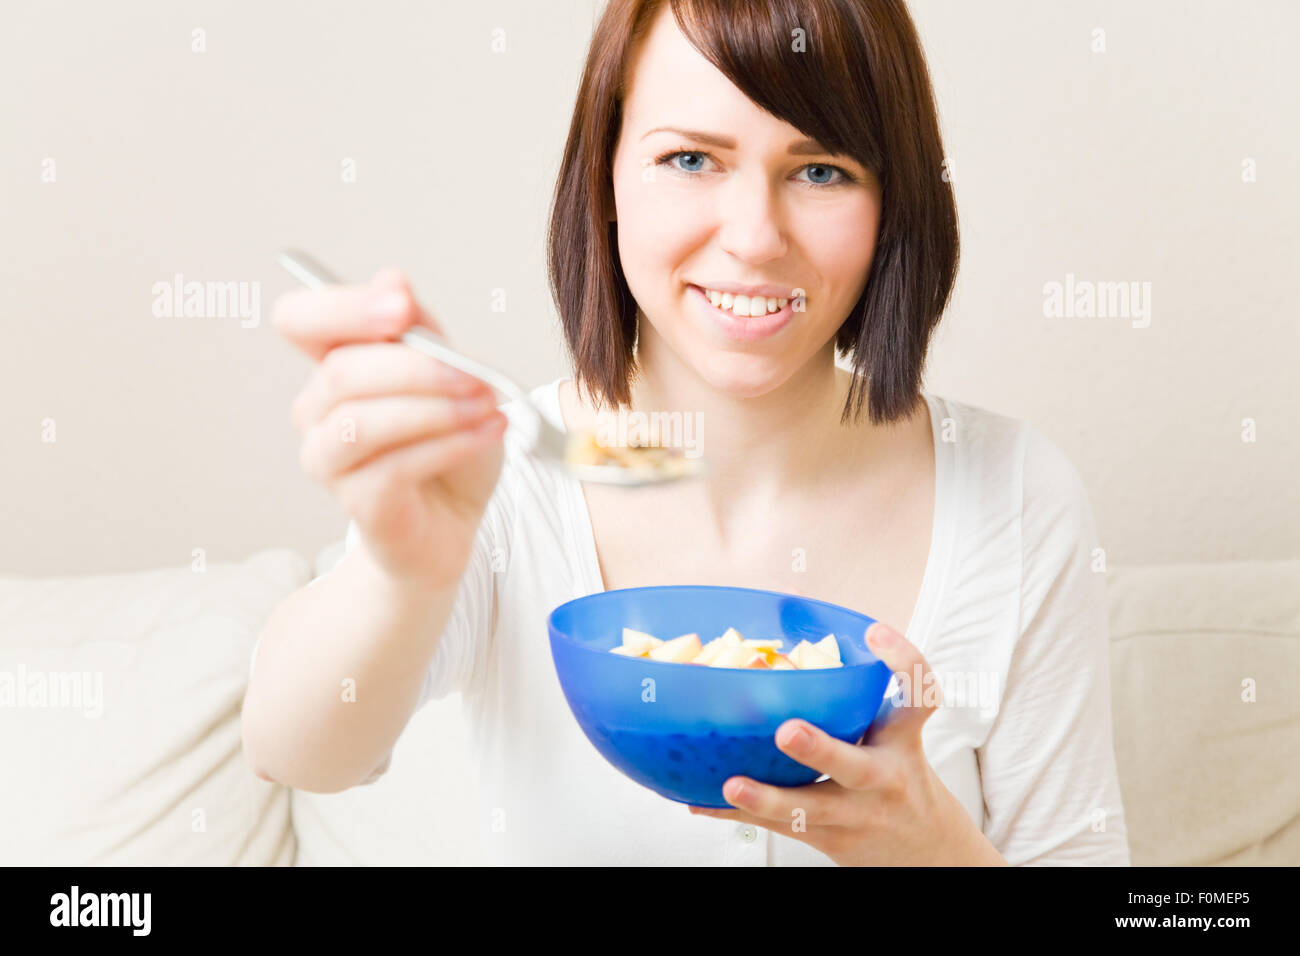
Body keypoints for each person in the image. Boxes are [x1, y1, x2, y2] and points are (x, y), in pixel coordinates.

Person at [242, 0, 1130, 866]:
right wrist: (403, 573)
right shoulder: (501, 472)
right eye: (692, 159)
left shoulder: (1017, 496)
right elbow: (299, 751)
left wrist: (934, 854)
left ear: (893, 202)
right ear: (608, 179)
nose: (753, 239)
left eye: (820, 170)